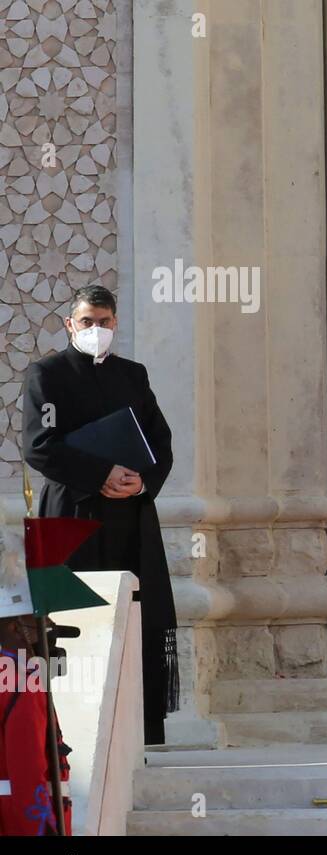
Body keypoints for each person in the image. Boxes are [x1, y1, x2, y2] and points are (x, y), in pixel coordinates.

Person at [22, 285, 178, 746]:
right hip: (71, 514)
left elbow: (159, 441)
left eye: (105, 321)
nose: (96, 330)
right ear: (70, 324)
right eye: (87, 321)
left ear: (116, 324)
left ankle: (139, 732)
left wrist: (142, 480)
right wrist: (100, 474)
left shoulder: (133, 375)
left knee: (135, 612)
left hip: (129, 516)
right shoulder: (46, 375)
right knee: (72, 618)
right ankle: (69, 734)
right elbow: (39, 446)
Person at [0, 551, 70, 836]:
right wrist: (42, 830)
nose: (46, 633)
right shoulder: (23, 683)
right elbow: (27, 770)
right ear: (16, 629)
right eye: (39, 625)